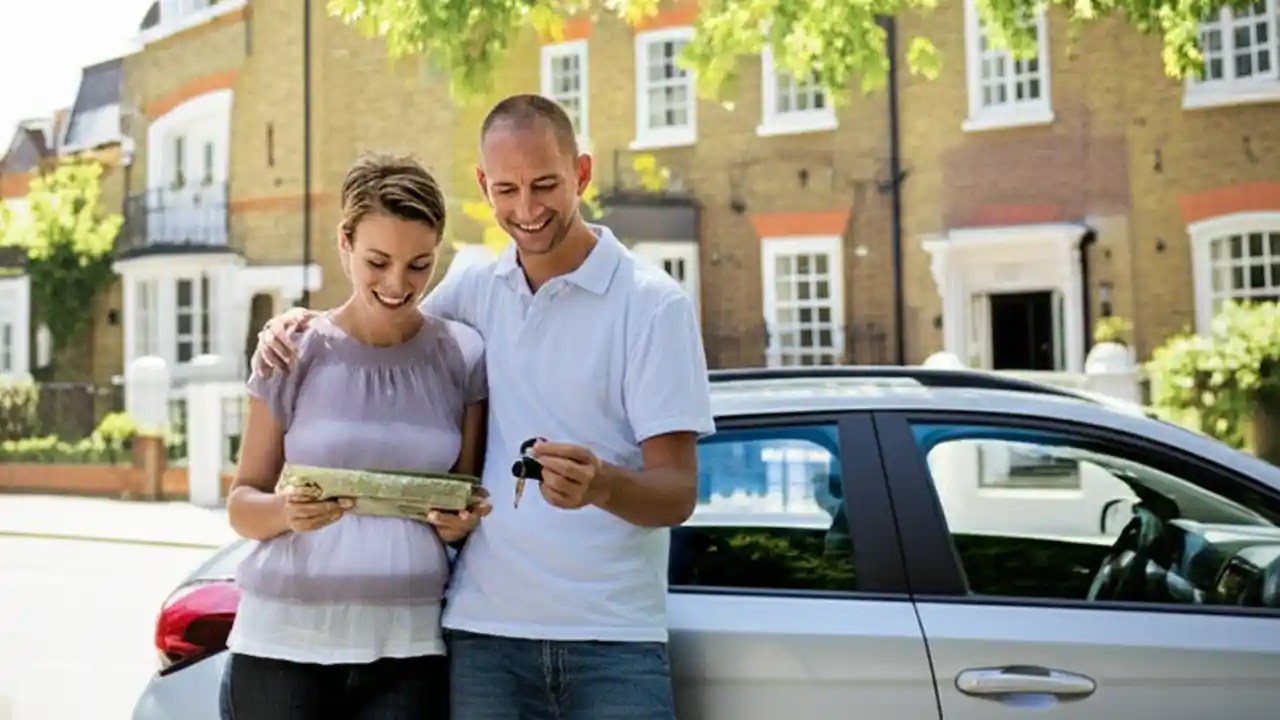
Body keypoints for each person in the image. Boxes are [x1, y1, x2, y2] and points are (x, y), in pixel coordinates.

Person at [252, 94, 715, 719]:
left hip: (614, 640)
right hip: (484, 634)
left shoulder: (653, 305)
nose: (526, 210)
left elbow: (677, 493)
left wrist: (601, 484)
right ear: (483, 186)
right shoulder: (473, 287)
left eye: (545, 185)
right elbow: (386, 317)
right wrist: (298, 325)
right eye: (507, 190)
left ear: (582, 172)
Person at [221, 152, 491, 720]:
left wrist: (459, 523)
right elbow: (243, 504)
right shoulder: (291, 349)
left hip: (409, 646)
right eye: (378, 261)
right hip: (282, 643)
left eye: (420, 264)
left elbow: (466, 498)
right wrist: (287, 514)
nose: (398, 284)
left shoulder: (462, 356)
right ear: (344, 242)